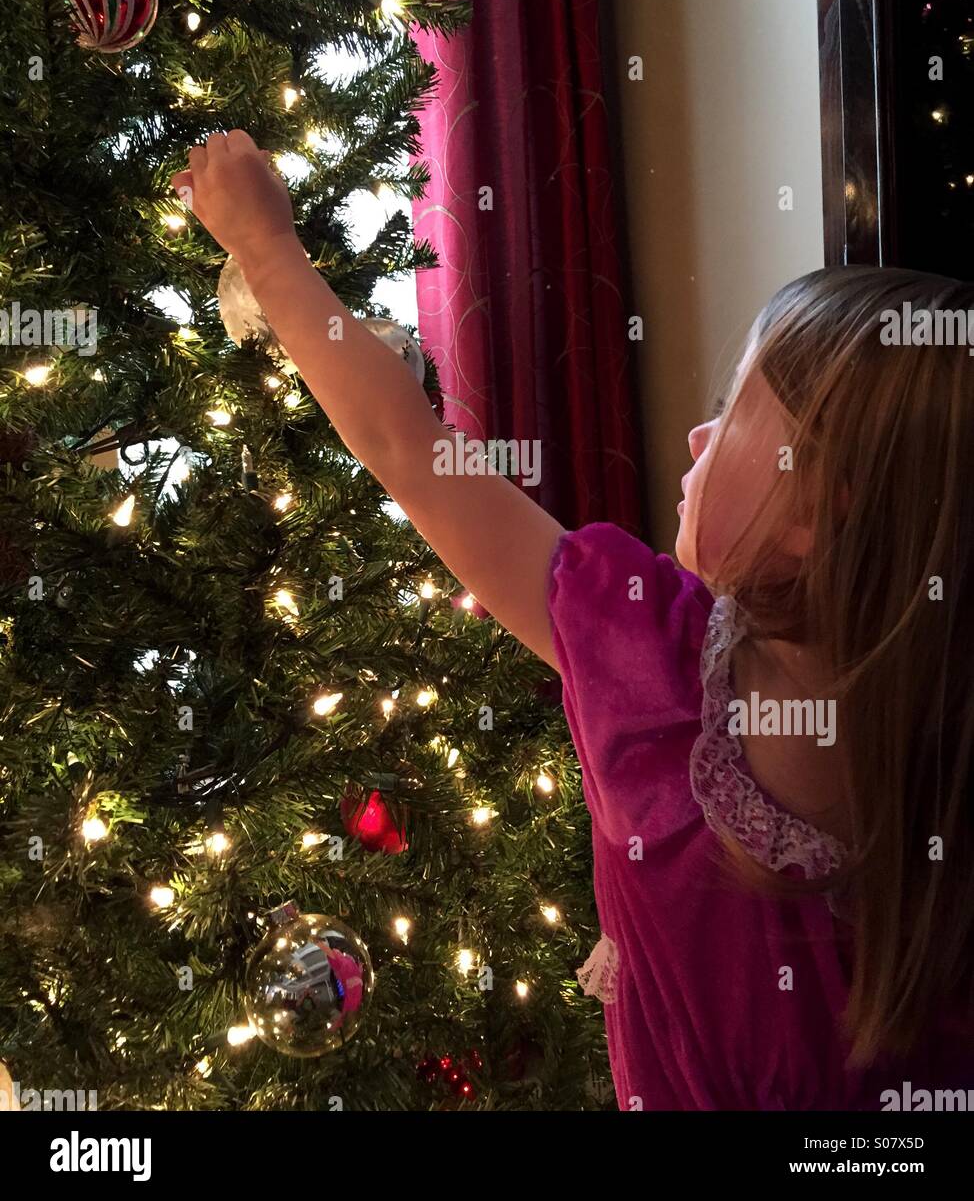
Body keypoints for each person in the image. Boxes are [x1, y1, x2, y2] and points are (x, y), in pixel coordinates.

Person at [173, 131, 974, 1110]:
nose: (695, 431)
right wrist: (646, 922)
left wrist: (266, 250)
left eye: (730, 411)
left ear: (812, 510)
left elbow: (412, 454)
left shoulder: (645, 647)